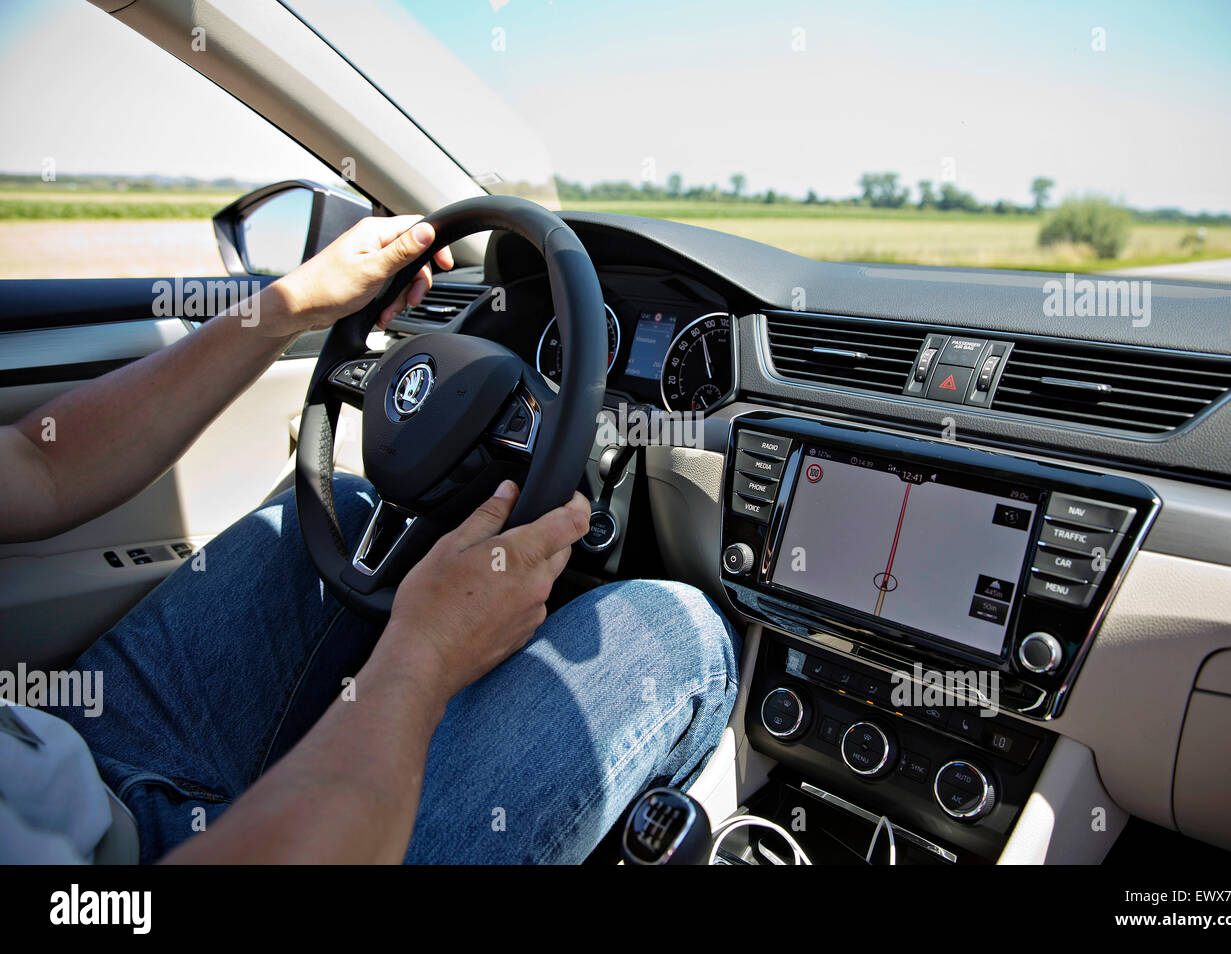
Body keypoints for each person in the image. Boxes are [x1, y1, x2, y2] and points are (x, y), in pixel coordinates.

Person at [0, 215, 737, 864]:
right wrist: (424, 654)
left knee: (342, 510)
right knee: (669, 630)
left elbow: (41, 465)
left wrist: (291, 306)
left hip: (59, 763)